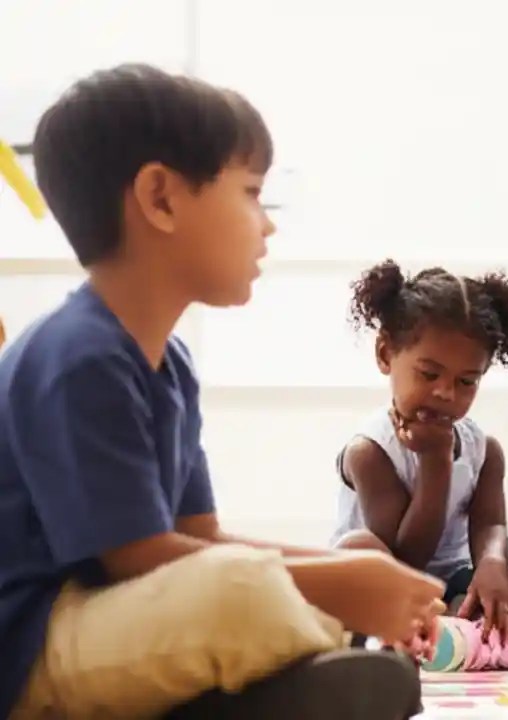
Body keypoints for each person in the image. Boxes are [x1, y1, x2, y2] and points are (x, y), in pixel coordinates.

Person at [0, 64, 445, 720]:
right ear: (161, 199)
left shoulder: (167, 362)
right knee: (242, 591)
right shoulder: (78, 357)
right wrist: (338, 584)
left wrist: (357, 579)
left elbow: (198, 535)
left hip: (117, 613)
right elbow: (140, 560)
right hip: (36, 642)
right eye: (251, 193)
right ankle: (287, 685)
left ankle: (304, 674)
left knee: (284, 574)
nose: (266, 226)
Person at [333, 260, 508, 671]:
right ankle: (454, 633)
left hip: (455, 583)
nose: (446, 393)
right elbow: (404, 558)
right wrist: (435, 465)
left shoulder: (483, 449)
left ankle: (457, 627)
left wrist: (491, 567)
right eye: (429, 373)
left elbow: (490, 524)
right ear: (385, 354)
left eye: (467, 381)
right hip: (386, 582)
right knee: (355, 550)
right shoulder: (370, 450)